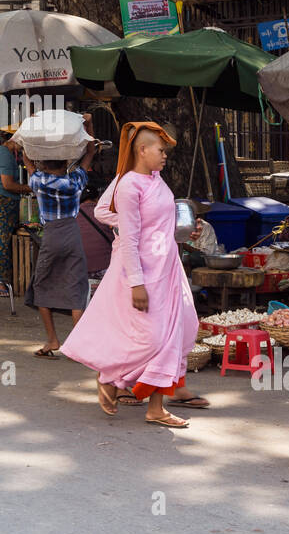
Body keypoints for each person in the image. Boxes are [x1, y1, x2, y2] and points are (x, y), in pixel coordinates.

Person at [61, 122, 199, 429]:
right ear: (142, 150)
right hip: (144, 272)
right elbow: (131, 237)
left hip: (169, 270)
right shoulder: (128, 186)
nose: (165, 156)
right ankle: (110, 377)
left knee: (181, 331)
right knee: (152, 339)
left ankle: (156, 408)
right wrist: (137, 283)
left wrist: (185, 229)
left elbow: (164, 219)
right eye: (161, 150)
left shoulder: (157, 180)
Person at [23, 122, 98, 358]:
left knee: (41, 286)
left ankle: (53, 340)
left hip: (52, 236)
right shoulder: (75, 181)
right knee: (76, 288)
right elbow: (88, 155)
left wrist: (29, 132)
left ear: (42, 162)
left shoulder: (38, 182)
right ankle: (81, 346)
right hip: (72, 235)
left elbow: (27, 159)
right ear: (66, 162)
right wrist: (88, 130)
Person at [0, 127, 30, 297]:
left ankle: (3, 280)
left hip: (6, 203)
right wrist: (28, 188)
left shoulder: (8, 153)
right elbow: (8, 185)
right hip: (0, 203)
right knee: (0, 244)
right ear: (15, 138)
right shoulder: (4, 154)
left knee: (3, 243)